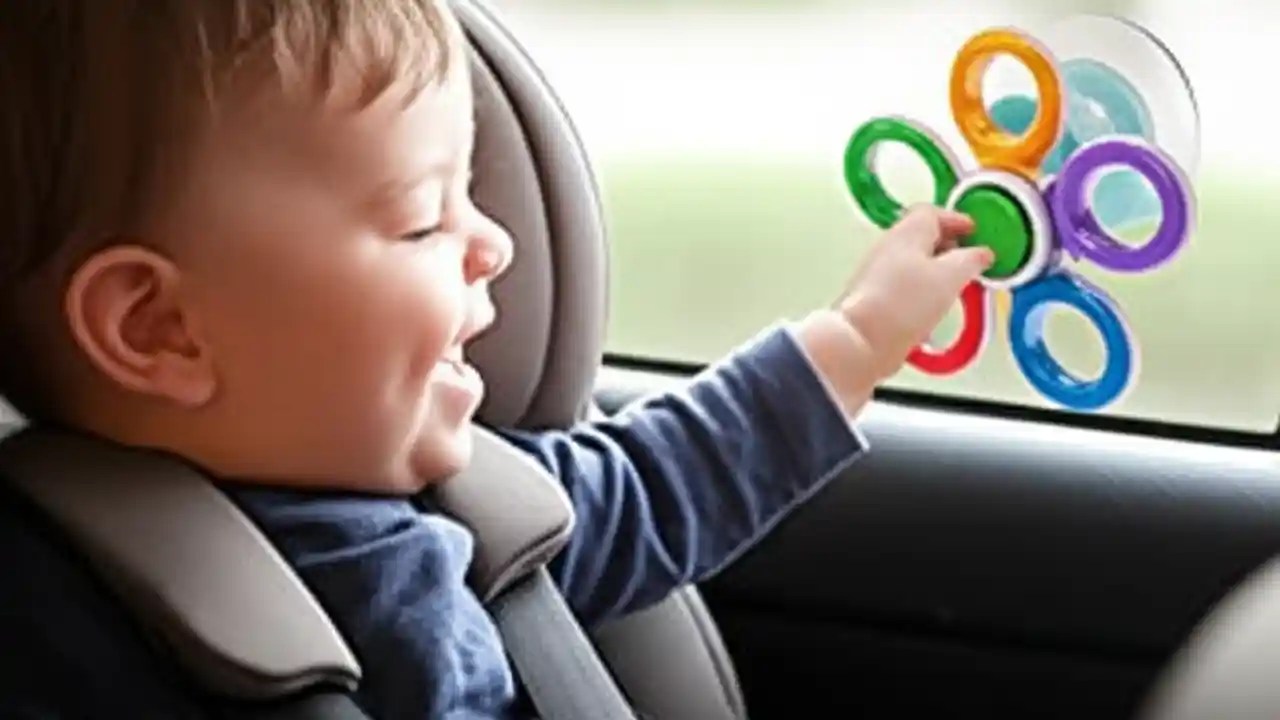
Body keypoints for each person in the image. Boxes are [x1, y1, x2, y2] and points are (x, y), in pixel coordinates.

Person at [0, 1, 994, 717]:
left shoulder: (472, 496)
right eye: (423, 220)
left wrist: (858, 337)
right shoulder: (69, 627)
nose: (496, 244)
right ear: (159, 329)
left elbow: (656, 480)